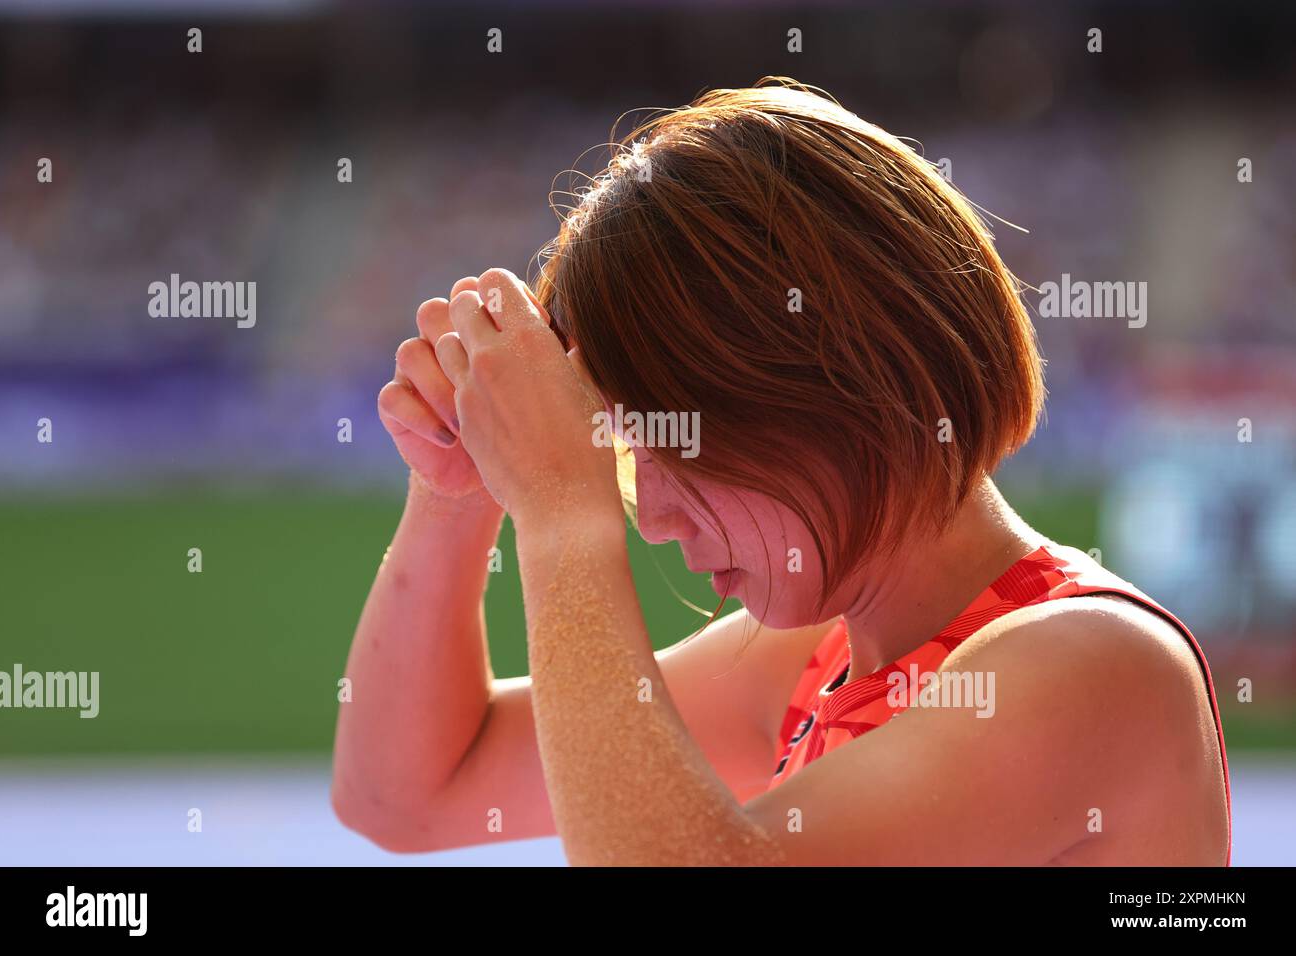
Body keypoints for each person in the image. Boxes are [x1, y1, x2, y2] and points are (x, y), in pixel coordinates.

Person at [331, 79, 1230, 866]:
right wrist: (460, 491)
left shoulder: (1096, 667)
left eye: (663, 446)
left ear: (817, 387)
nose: (651, 519)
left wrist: (566, 513)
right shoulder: (816, 661)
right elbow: (403, 796)